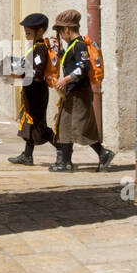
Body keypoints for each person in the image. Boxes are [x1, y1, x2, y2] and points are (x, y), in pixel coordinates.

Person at [50, 9, 115, 173]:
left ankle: (103, 153)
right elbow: (71, 61)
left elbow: (83, 67)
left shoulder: (79, 46)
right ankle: (65, 162)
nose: (60, 36)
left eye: (60, 32)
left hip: (79, 93)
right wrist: (59, 51)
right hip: (72, 93)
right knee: (64, 125)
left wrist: (66, 79)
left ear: (66, 30)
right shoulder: (72, 46)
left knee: (81, 128)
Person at [8, 13, 57, 165]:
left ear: (40, 31)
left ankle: (64, 150)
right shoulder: (35, 47)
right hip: (32, 91)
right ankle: (27, 155)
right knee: (30, 123)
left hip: (37, 92)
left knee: (39, 127)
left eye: (29, 32)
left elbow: (37, 72)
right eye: (25, 31)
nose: (26, 34)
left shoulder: (40, 49)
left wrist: (20, 74)